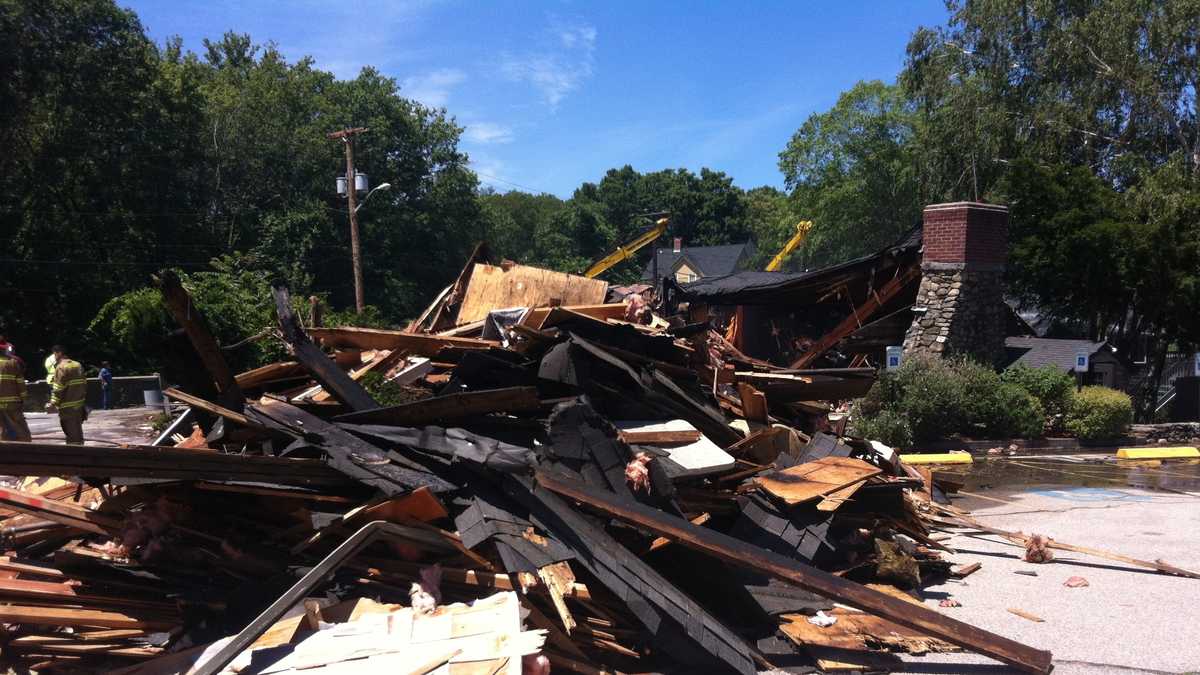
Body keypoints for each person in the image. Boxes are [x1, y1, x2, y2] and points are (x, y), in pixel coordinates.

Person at [46, 347, 87, 445]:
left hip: (67, 406)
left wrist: (52, 403)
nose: (54, 356)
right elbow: (84, 383)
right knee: (77, 428)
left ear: (59, 353)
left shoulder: (61, 367)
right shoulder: (78, 365)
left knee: (70, 430)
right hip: (79, 404)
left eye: (55, 354)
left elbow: (58, 388)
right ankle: (80, 448)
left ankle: (74, 453)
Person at [0, 346, 31, 442]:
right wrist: (24, 397)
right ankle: (26, 446)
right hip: (13, 402)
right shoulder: (13, 363)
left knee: (3, 426)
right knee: (20, 425)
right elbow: (20, 383)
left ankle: (6, 447)